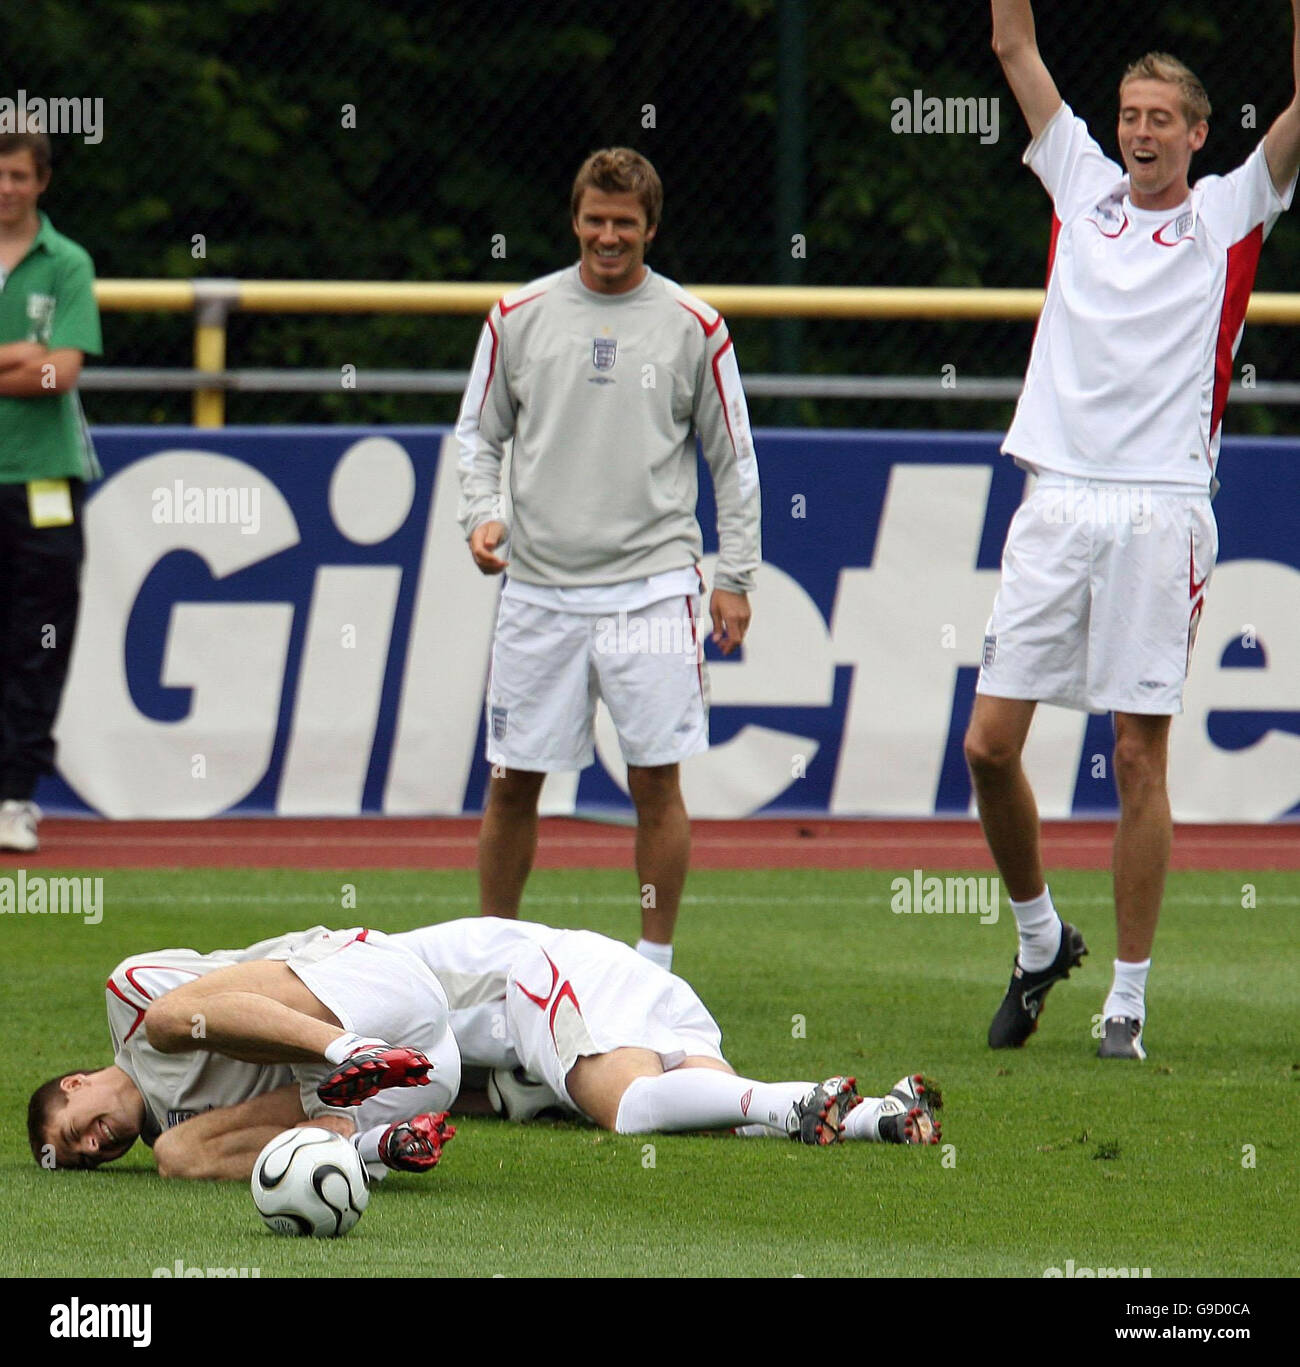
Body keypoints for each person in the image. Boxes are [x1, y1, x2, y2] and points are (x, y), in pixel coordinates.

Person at [968, 2, 1300, 1059]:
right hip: (1056, 495)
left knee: (1135, 753)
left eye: (1162, 116)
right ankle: (1036, 937)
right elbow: (1014, 45)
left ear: (1199, 132)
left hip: (1160, 506)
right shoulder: (1077, 180)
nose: (1141, 131)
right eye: (1129, 112)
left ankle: (1128, 997)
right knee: (987, 746)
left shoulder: (1229, 209)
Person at [456, 147, 761, 971]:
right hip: (539, 587)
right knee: (513, 779)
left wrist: (735, 576)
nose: (607, 235)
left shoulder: (693, 326)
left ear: (650, 228)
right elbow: (478, 440)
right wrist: (481, 516)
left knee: (655, 779)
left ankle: (653, 967)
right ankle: (493, 960)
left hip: (653, 586)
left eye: (624, 222)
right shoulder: (517, 317)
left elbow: (732, 458)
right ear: (575, 218)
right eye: (595, 219)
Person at [392, 918, 943, 1146]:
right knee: (718, 1117)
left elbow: (354, 1081)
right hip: (617, 977)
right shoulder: (369, 975)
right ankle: (876, 1115)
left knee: (629, 1107)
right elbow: (424, 1083)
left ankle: (795, 1097)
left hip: (550, 976)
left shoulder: (339, 983)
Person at [27, 925, 460, 1179]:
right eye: (86, 1160)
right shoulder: (168, 1132)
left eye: (73, 1134)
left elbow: (253, 981)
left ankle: (349, 1051)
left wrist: (324, 1093)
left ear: (75, 1084)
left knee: (167, 1021)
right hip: (421, 1080)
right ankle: (372, 1147)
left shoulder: (130, 1000)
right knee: (176, 1155)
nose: (92, 1146)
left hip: (371, 987)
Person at [0, 130, 102, 853]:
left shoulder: (67, 262)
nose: (5, 188)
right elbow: (32, 366)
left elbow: (58, 374)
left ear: (42, 182)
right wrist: (17, 357)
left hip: (42, 476)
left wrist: (38, 361)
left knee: (39, 637)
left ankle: (14, 795)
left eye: (17, 175)